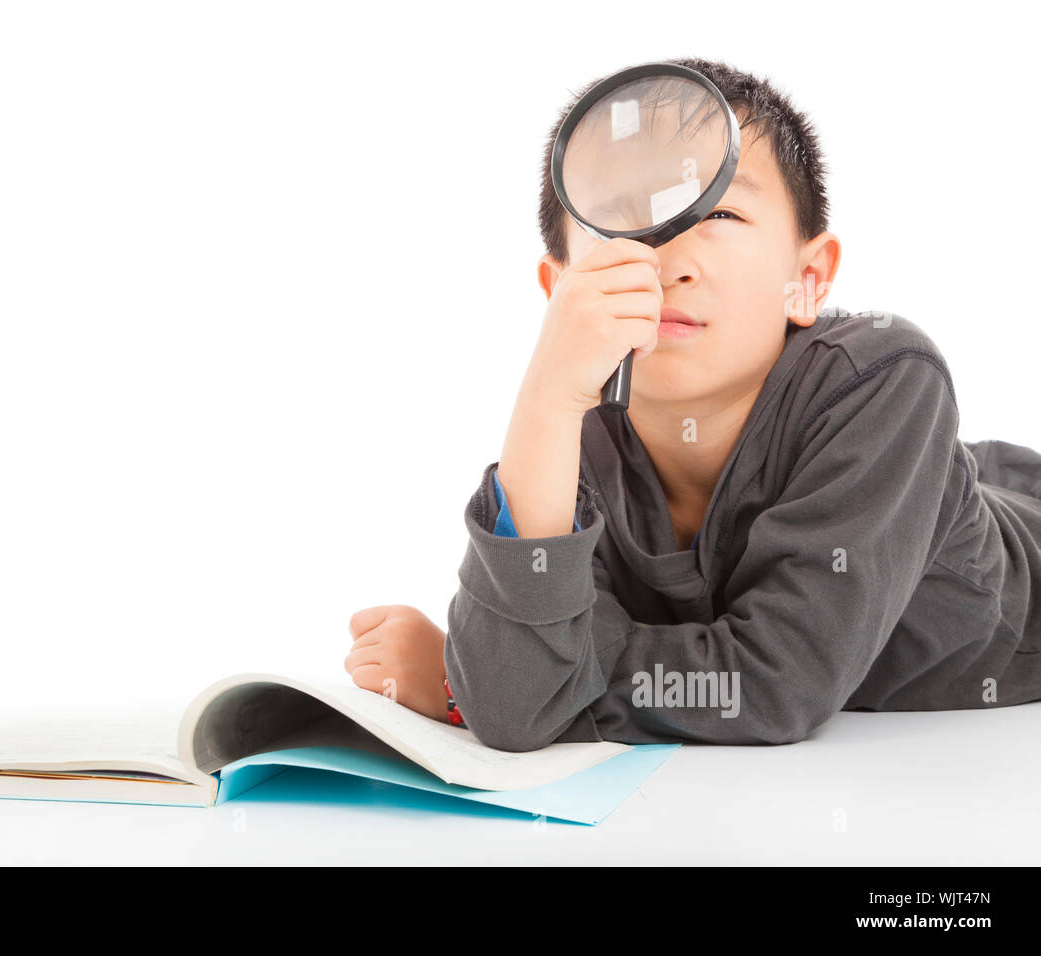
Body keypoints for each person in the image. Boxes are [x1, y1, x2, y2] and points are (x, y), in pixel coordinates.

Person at [344, 56, 1041, 748]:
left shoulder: (885, 376)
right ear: (559, 290)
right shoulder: (568, 438)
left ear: (806, 278)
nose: (665, 259)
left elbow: (775, 683)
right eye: (619, 220)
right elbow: (514, 700)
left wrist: (465, 678)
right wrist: (547, 401)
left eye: (722, 211)